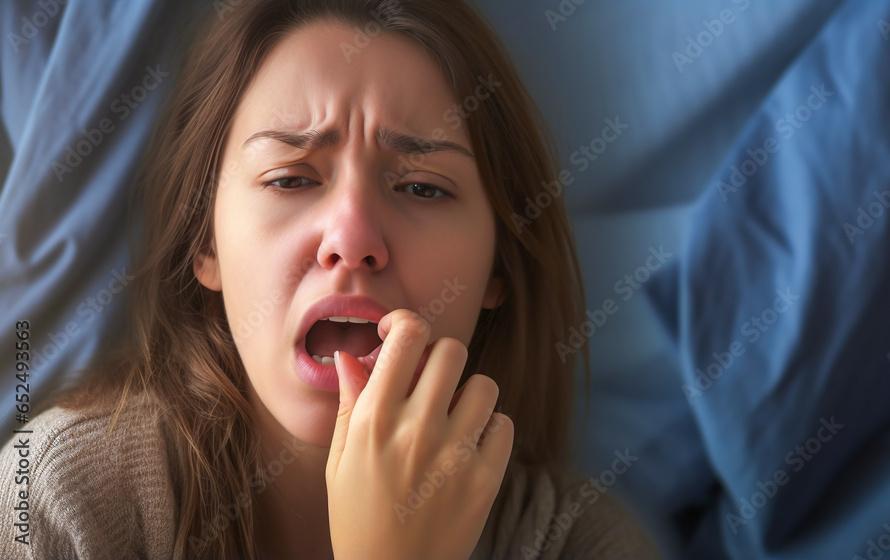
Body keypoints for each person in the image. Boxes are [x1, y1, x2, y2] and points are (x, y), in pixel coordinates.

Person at [0, 0, 662, 558]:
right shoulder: (57, 500)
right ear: (206, 247)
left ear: (498, 270)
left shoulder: (582, 543)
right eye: (290, 179)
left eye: (424, 189)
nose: (352, 239)